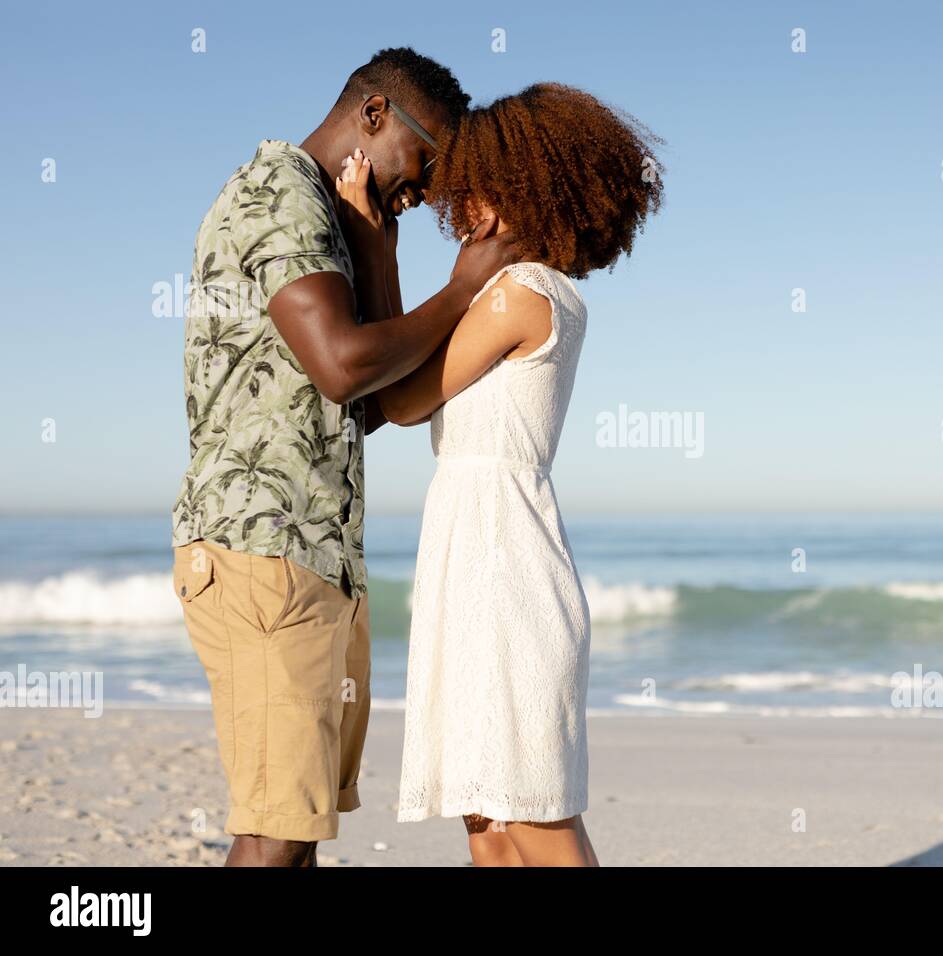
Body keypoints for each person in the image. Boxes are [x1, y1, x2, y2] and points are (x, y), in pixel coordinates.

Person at [170, 47, 517, 867]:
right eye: (425, 161)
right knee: (276, 833)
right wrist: (465, 287)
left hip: (313, 558)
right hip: (262, 555)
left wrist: (382, 254)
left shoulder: (326, 220)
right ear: (373, 115)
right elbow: (344, 363)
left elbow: (375, 407)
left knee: (300, 822)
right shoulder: (279, 195)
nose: (425, 189)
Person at [334, 81, 663, 866]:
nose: (465, 202)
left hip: (505, 560)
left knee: (534, 810)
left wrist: (377, 242)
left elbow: (405, 399)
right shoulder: (510, 292)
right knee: (486, 815)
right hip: (473, 550)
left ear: (530, 190)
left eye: (481, 183)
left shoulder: (522, 294)